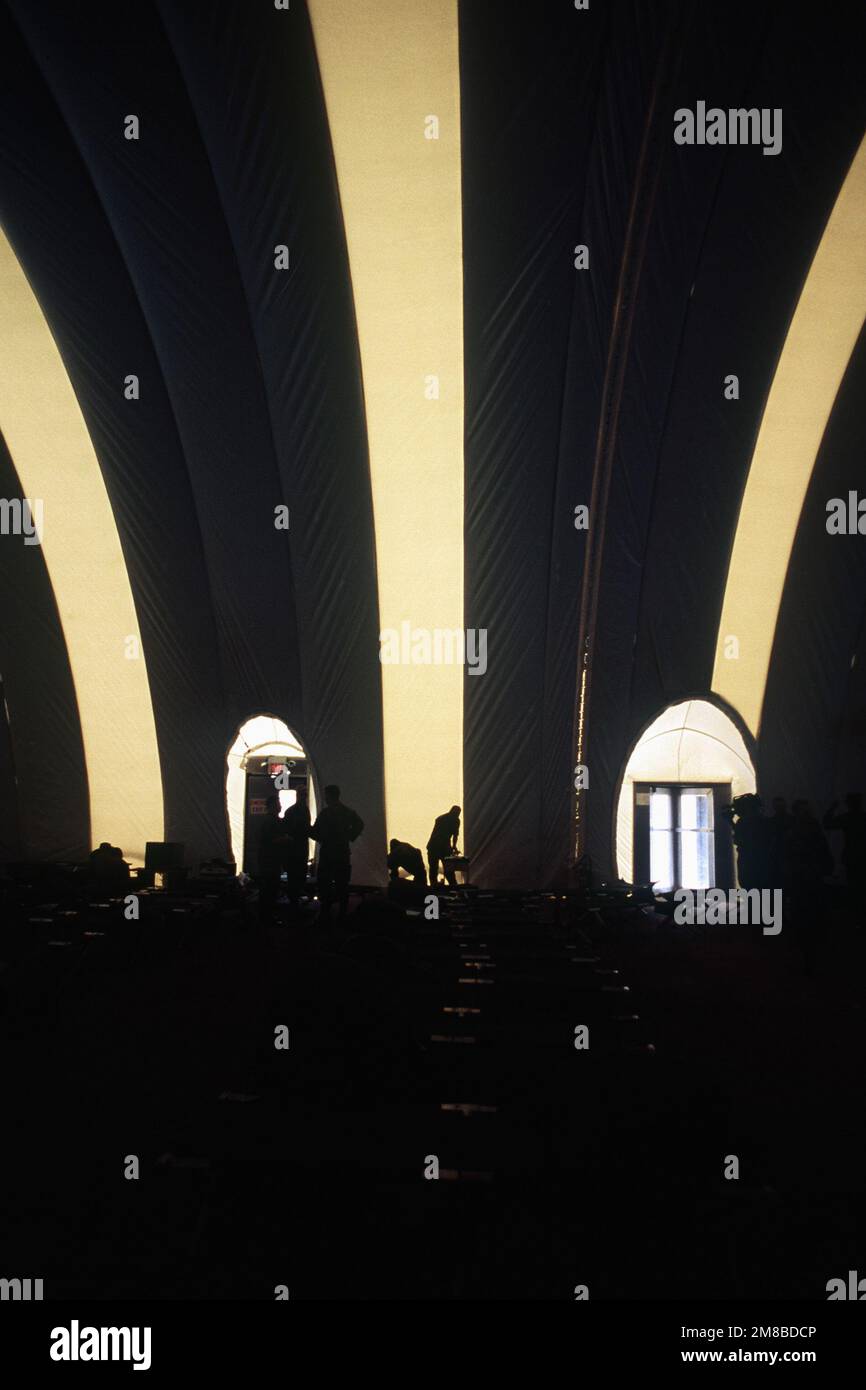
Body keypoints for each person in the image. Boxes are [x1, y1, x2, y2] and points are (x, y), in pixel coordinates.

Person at [310, 784, 364, 922]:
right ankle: (342, 913)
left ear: (329, 796)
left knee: (325, 884)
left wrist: (315, 835)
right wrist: (349, 836)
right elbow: (359, 824)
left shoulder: (325, 813)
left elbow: (315, 832)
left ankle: (325, 911)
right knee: (342, 884)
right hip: (342, 852)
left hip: (327, 853)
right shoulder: (347, 812)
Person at [823, 793, 866, 886]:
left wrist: (832, 808)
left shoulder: (847, 818)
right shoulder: (861, 817)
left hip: (851, 855)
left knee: (853, 883)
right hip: (860, 855)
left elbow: (827, 824)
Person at [257, 796, 288, 923]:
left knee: (269, 888)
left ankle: (266, 916)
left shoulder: (270, 820)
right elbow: (268, 841)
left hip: (268, 860)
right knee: (269, 888)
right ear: (272, 806)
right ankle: (267, 917)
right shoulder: (271, 821)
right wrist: (284, 839)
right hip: (270, 861)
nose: (280, 805)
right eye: (278, 803)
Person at [282, 789, 311, 913]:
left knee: (294, 877)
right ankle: (296, 902)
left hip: (294, 850)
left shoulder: (291, 811)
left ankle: (294, 902)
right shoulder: (304, 811)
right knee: (298, 877)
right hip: (299, 849)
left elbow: (286, 830)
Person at [427, 805, 461, 887]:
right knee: (448, 870)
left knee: (433, 870)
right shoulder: (456, 820)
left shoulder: (440, 818)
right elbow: (455, 835)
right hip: (442, 847)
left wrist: (453, 846)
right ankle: (453, 887)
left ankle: (433, 888)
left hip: (433, 846)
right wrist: (454, 847)